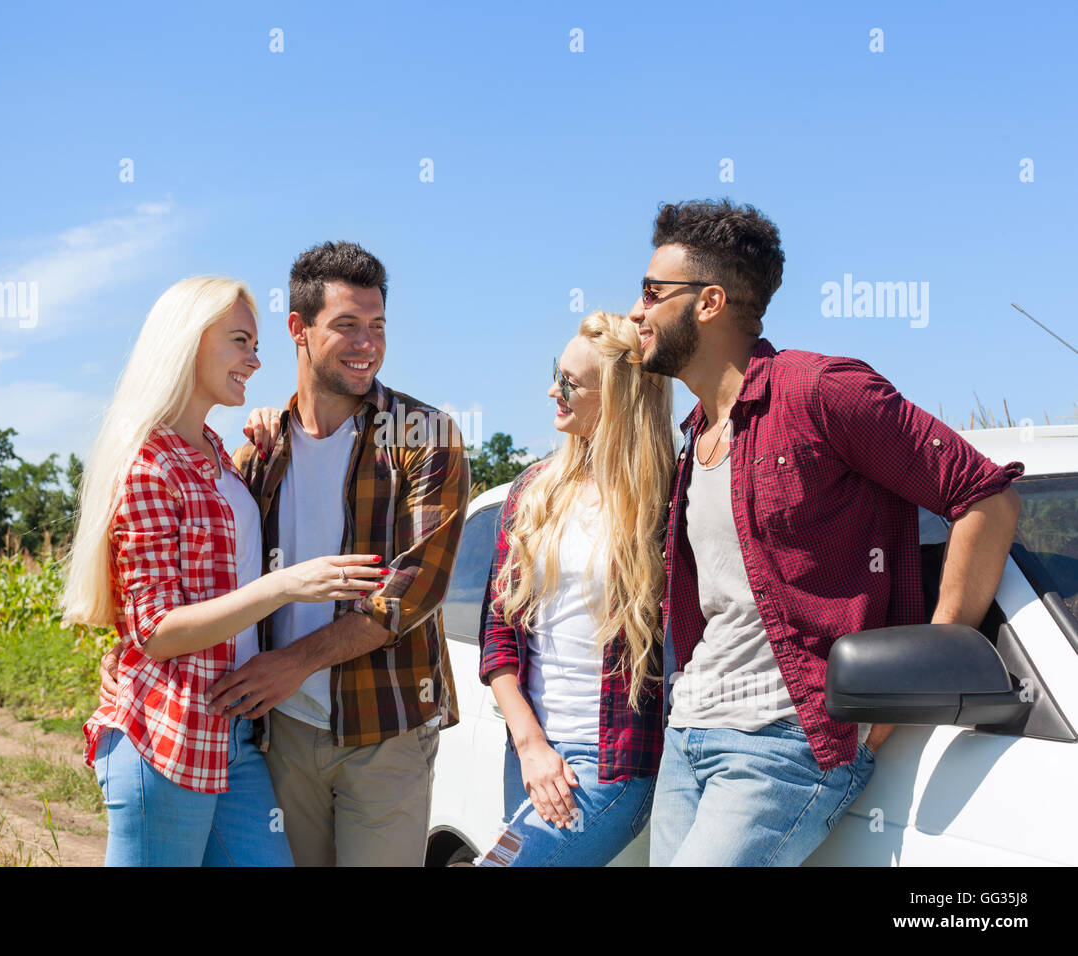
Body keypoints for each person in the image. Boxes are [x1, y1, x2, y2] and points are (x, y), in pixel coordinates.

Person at [630, 199, 1024, 866]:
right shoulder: (695, 432)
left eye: (651, 292)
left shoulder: (821, 391)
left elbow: (985, 496)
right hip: (691, 733)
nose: (635, 311)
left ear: (710, 302)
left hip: (784, 742)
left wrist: (929, 669)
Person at [102, 242, 471, 866]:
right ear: (298, 329)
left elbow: (414, 589)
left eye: (377, 326)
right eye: (346, 326)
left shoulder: (424, 435)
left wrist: (292, 663)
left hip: (386, 728)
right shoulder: (254, 452)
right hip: (280, 731)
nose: (367, 344)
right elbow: (178, 574)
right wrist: (129, 651)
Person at [62, 276, 383, 867]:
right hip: (167, 736)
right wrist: (284, 585)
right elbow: (155, 630)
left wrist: (275, 427)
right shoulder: (149, 466)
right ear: (190, 342)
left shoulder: (216, 451)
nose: (256, 360)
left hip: (233, 735)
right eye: (241, 342)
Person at [474, 311, 674, 866]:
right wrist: (531, 745)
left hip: (611, 764)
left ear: (617, 398)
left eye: (569, 383)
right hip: (530, 752)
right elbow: (499, 635)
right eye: (554, 373)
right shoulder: (532, 491)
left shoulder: (668, 502)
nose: (552, 391)